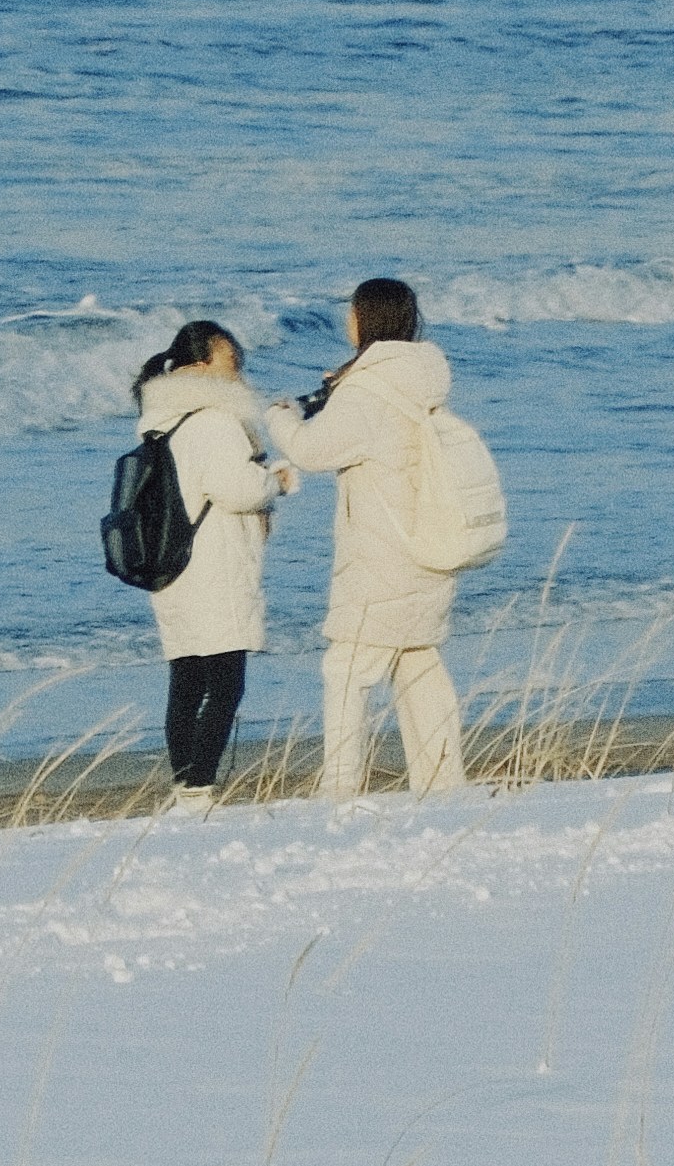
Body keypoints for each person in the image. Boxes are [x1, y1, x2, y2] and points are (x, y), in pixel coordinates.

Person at [286, 274, 473, 798]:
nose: (347, 318)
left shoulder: (367, 391)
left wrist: (281, 418)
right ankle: (443, 782)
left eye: (352, 311)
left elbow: (311, 451)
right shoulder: (422, 383)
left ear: (365, 319)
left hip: (380, 553)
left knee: (347, 668)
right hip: (429, 546)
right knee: (417, 661)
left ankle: (341, 785)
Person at [130, 319, 287, 792]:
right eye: (230, 364)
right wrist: (274, 480)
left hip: (173, 565)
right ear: (200, 367)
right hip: (213, 566)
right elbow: (238, 489)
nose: (238, 375)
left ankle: (186, 785)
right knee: (224, 683)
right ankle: (199, 784)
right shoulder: (212, 420)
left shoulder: (162, 422)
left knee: (187, 680)